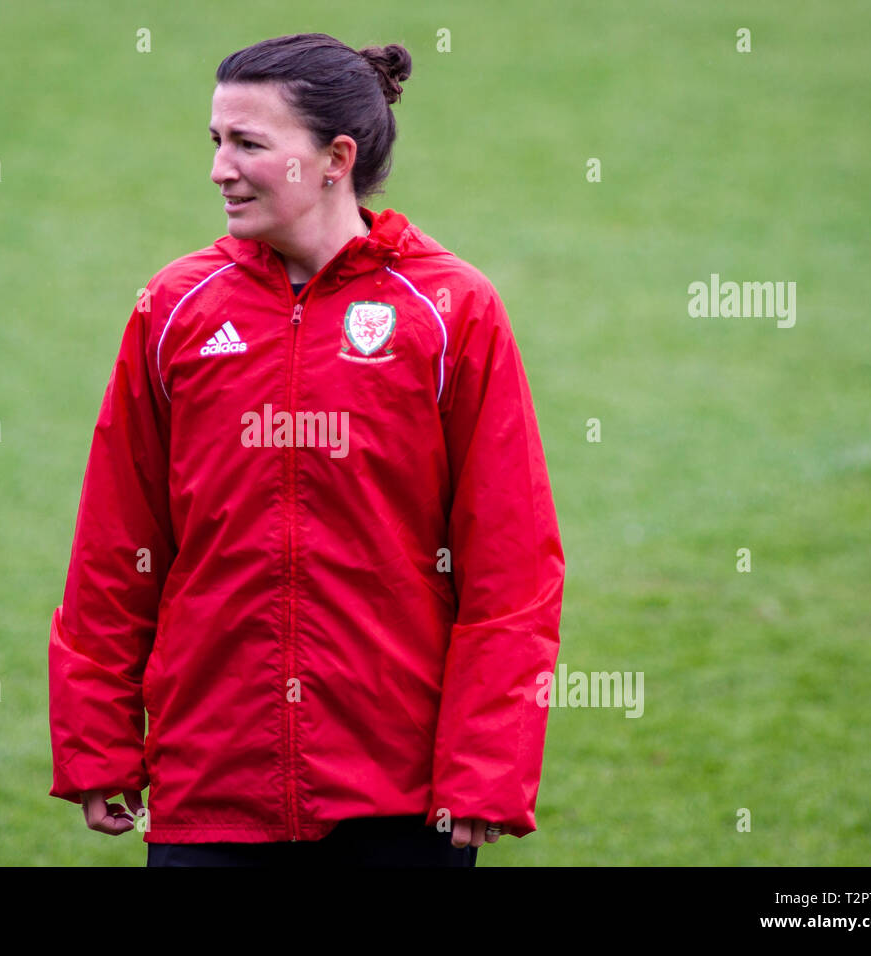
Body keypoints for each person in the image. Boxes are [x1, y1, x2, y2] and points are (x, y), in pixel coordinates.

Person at [47, 33, 566, 868]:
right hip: (210, 787)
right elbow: (119, 540)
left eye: (248, 143)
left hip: (399, 796)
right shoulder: (174, 309)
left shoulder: (449, 310)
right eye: (215, 142)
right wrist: (97, 735)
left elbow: (510, 561)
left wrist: (486, 766)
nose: (219, 167)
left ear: (335, 158)